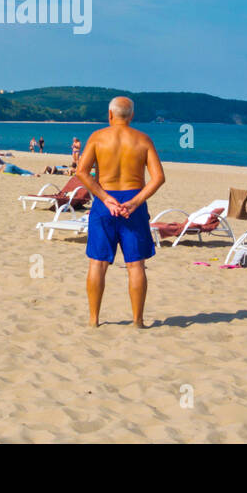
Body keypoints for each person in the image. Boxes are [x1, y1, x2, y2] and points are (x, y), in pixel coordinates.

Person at [75, 97, 165, 329]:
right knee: (136, 265)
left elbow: (82, 172)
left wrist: (104, 198)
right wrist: (135, 202)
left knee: (97, 263)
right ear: (132, 116)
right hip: (132, 203)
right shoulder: (143, 139)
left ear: (110, 115)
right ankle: (138, 321)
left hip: (106, 201)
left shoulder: (97, 137)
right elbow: (158, 178)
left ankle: (94, 319)